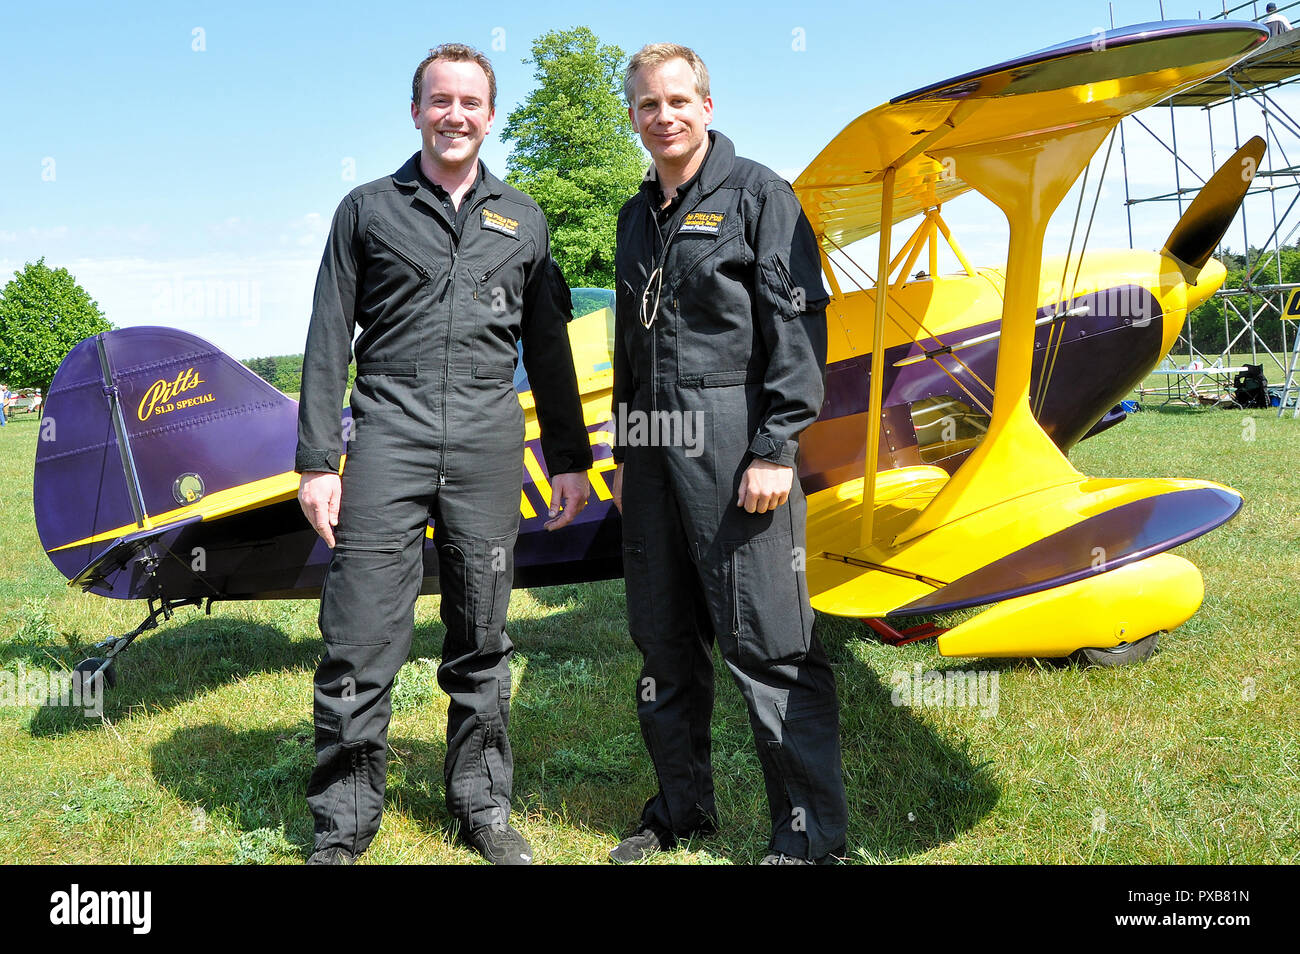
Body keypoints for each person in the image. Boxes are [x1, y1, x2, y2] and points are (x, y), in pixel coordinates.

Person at [296, 43, 592, 865]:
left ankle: (483, 804)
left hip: (488, 444)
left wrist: (567, 457)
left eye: (470, 101)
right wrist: (319, 462)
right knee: (358, 636)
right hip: (388, 432)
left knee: (483, 633)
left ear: (489, 115)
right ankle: (345, 825)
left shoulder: (524, 218)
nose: (455, 114)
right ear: (416, 110)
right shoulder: (367, 209)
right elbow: (327, 340)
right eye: (440, 100)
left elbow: (549, 345)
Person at [609, 43, 848, 864]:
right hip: (650, 456)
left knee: (768, 643)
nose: (663, 116)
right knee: (664, 642)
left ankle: (807, 834)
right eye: (647, 104)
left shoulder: (759, 197)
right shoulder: (634, 217)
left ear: (706, 105)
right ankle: (680, 810)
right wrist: (623, 454)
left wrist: (776, 444)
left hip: (734, 444)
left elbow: (798, 331)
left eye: (678, 100)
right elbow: (628, 351)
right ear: (634, 116)